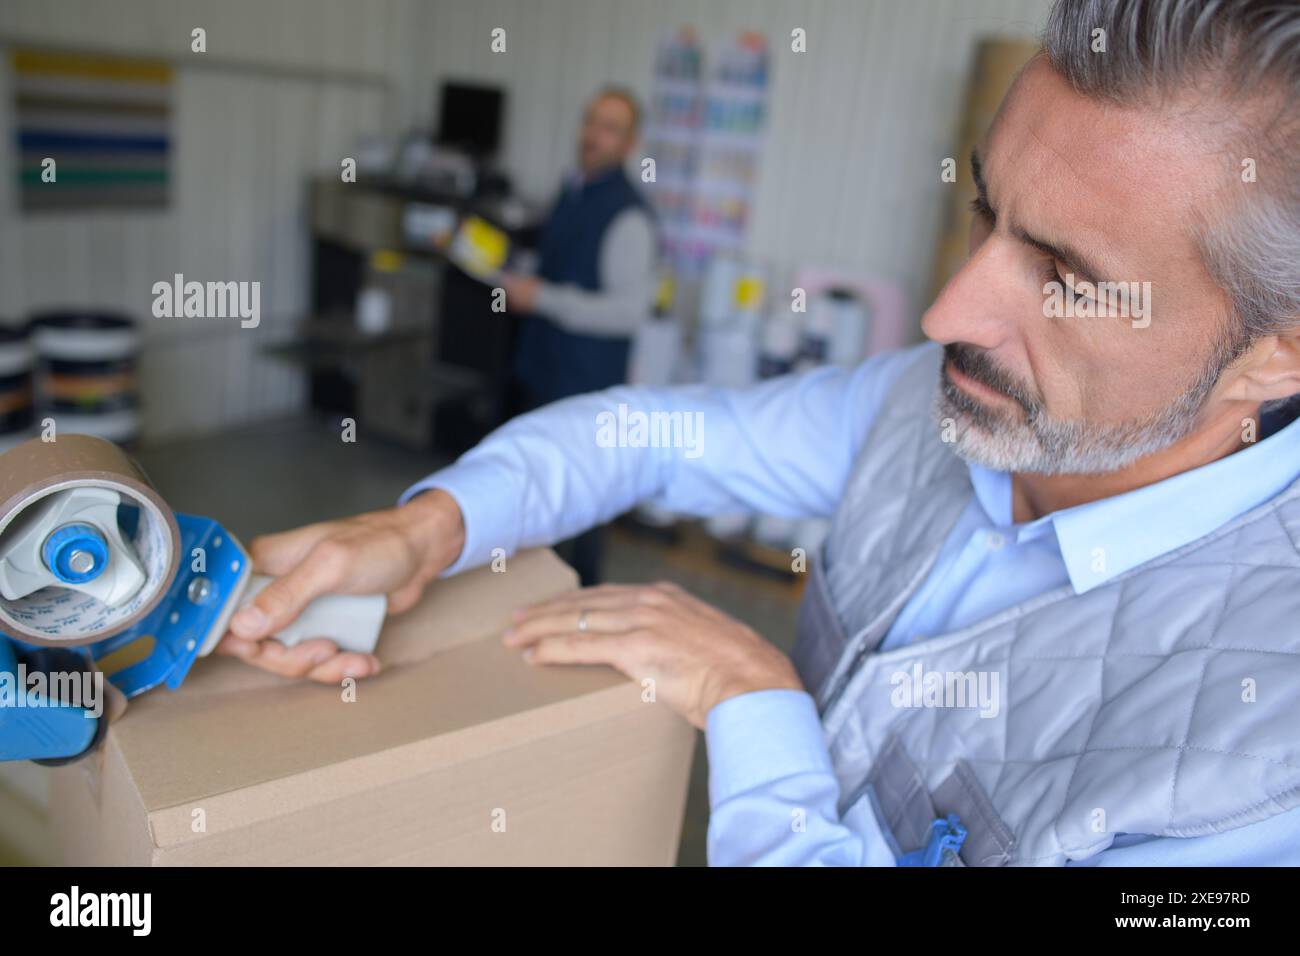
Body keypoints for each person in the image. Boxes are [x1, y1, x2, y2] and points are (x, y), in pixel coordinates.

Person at [217, 0, 1300, 865]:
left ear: (1277, 350)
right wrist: (437, 526)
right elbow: (648, 433)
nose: (945, 316)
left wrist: (756, 704)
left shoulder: (1262, 780)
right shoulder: (918, 406)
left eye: (1065, 278)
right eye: (985, 211)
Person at [496, 86, 658, 584]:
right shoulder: (572, 191)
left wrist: (542, 297)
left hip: (585, 385)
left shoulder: (628, 215)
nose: (594, 135)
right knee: (533, 498)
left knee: (580, 513)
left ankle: (580, 610)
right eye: (591, 121)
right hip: (544, 371)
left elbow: (628, 312)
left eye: (609, 127)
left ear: (630, 143)